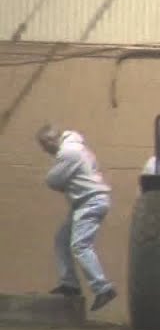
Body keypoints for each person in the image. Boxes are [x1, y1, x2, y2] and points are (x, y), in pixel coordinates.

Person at [37, 124, 117, 312]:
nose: (43, 150)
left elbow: (53, 180)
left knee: (80, 245)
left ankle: (103, 288)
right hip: (85, 203)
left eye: (43, 145)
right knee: (62, 239)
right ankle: (69, 284)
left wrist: (61, 182)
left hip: (90, 202)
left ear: (50, 140)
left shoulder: (69, 153)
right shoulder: (77, 148)